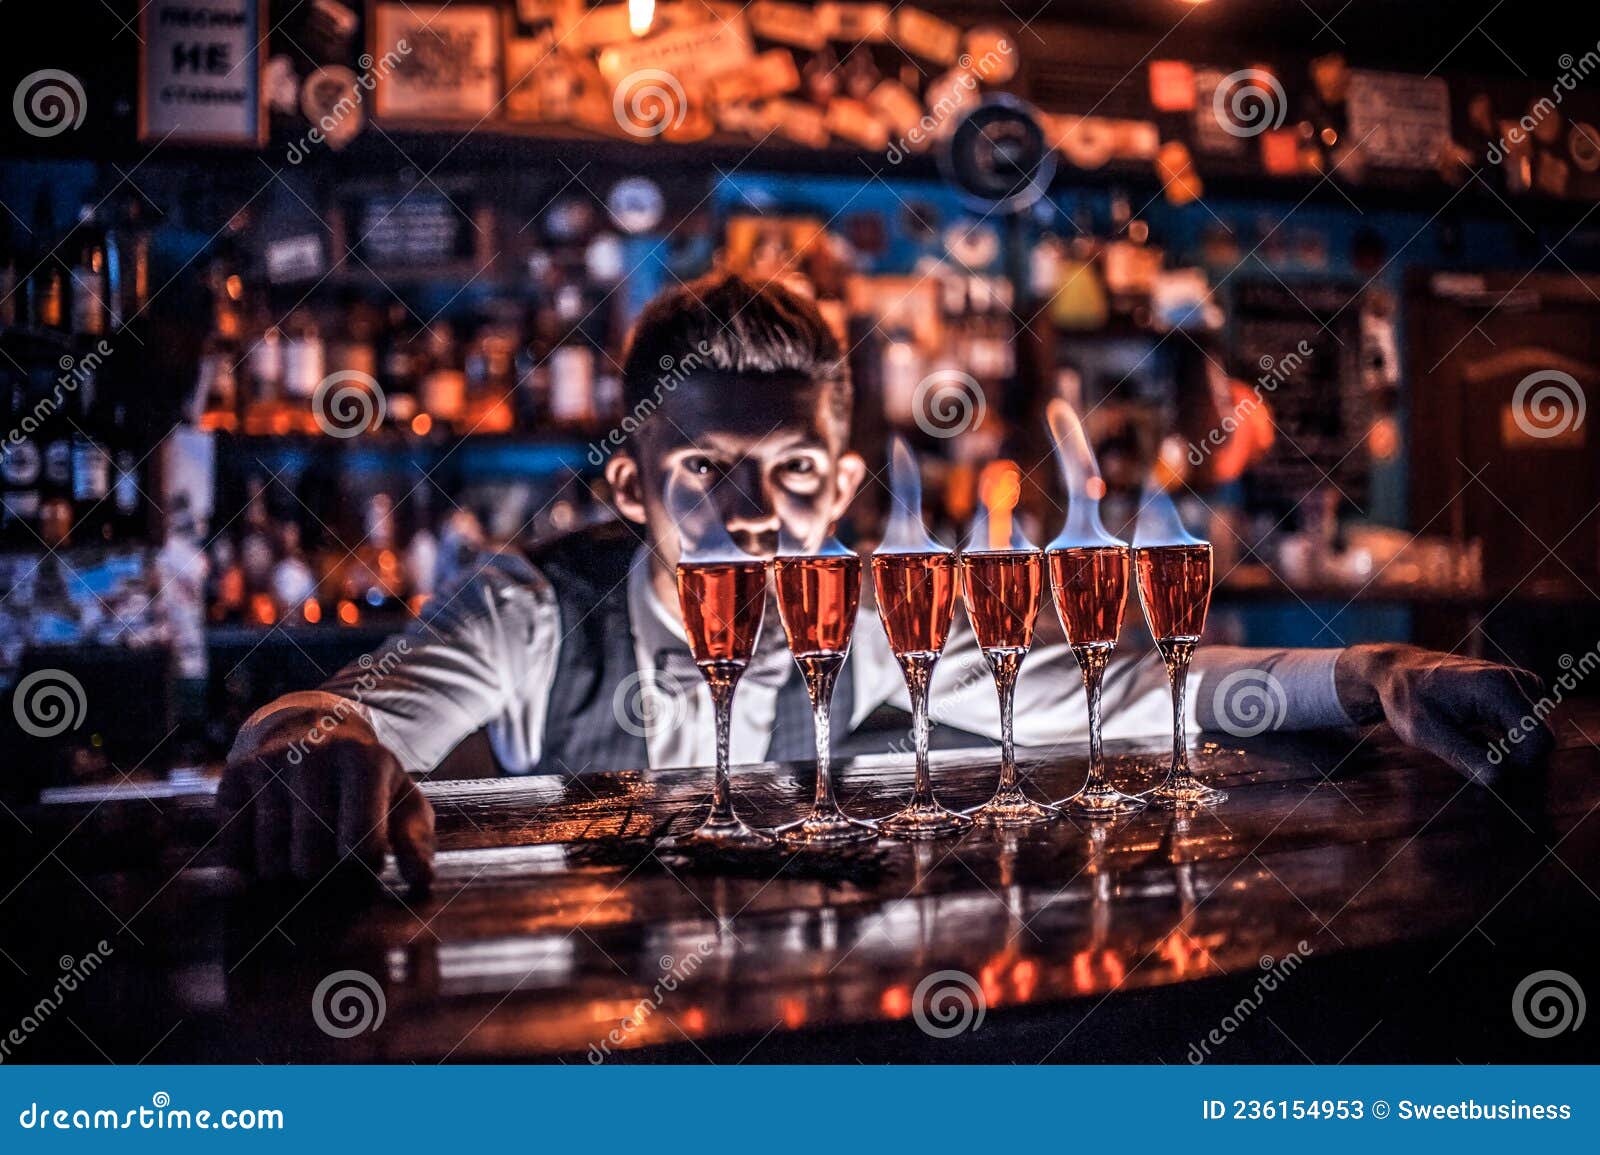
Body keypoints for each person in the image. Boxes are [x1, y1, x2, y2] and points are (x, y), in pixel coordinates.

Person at [220, 271, 1552, 889]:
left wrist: (1373, 674)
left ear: (848, 488)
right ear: (629, 484)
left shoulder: (865, 612)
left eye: (796, 467)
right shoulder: (529, 606)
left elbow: (1127, 695)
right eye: (704, 469)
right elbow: (343, 711)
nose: (754, 510)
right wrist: (306, 743)